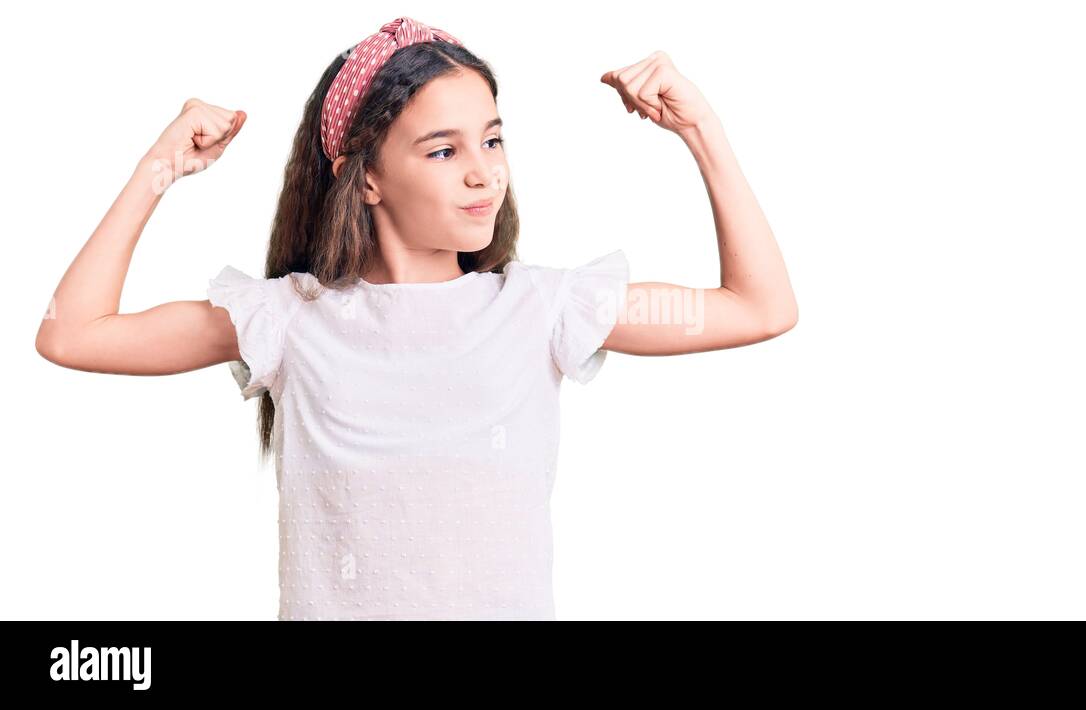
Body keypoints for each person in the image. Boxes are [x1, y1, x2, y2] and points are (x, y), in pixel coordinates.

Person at [34, 16, 798, 620]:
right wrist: (160, 167)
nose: (483, 172)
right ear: (363, 177)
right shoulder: (288, 322)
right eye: (443, 150)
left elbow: (759, 308)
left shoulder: (542, 309)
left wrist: (701, 131)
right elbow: (73, 332)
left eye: (493, 139)